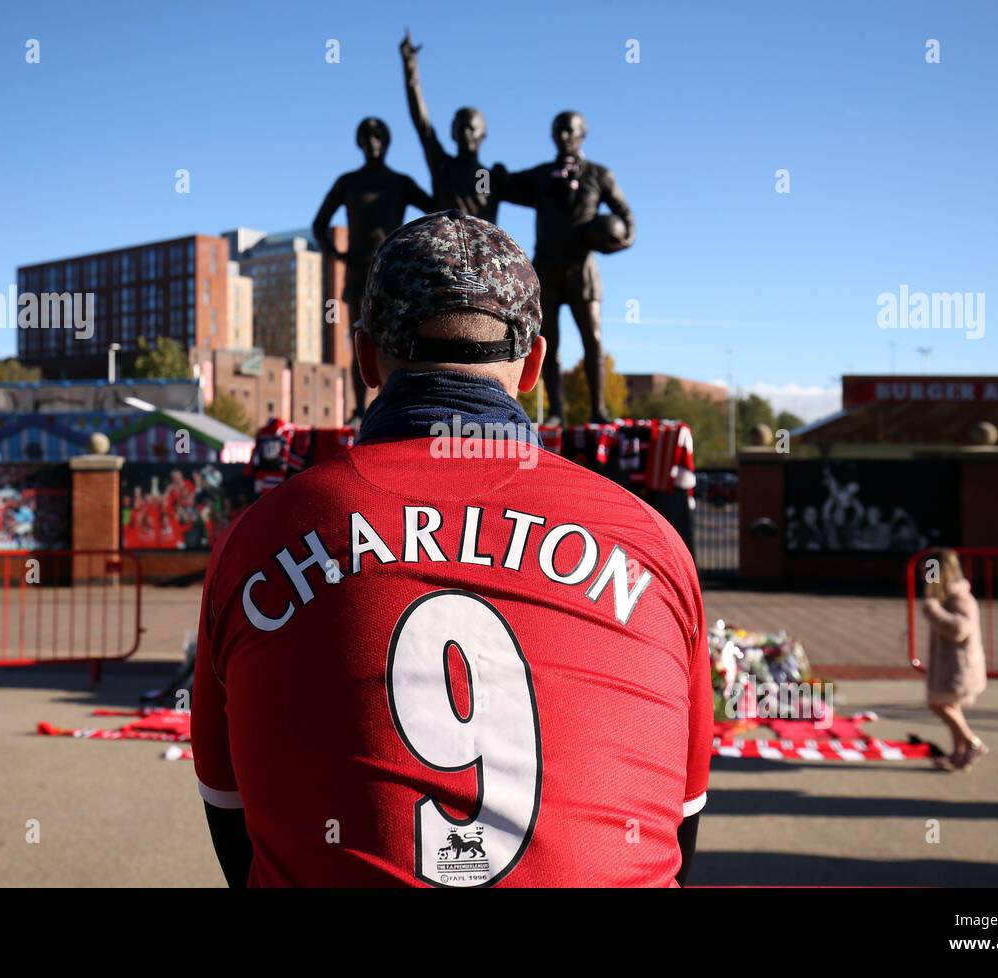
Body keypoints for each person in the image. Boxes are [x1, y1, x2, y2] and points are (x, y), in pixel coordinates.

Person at [192, 210, 711, 887]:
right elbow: (678, 831)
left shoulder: (257, 539)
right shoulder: (652, 545)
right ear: (533, 365)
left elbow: (236, 833)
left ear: (366, 356)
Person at [496, 111, 635, 425]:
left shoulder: (600, 175)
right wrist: (495, 175)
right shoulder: (543, 176)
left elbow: (628, 222)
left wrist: (614, 243)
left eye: (570, 131)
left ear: (582, 134)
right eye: (558, 131)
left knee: (593, 340)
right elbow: (507, 187)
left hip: (583, 270)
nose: (563, 137)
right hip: (547, 269)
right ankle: (557, 410)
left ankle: (598, 409)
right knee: (549, 343)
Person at [312, 117, 434, 420]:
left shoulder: (399, 182)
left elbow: (435, 210)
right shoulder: (349, 182)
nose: (373, 143)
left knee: (397, 339)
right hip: (359, 273)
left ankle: (393, 405)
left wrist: (414, 249)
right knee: (362, 339)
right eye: (367, 138)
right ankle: (358, 409)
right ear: (359, 143)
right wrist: (337, 254)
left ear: (387, 141)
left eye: (378, 137)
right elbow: (319, 224)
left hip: (395, 273)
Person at [399, 30, 498, 221]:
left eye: (472, 128)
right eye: (461, 128)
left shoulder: (484, 175)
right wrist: (410, 66)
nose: (466, 134)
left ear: (483, 135)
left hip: (478, 248)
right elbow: (422, 124)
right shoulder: (442, 166)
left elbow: (484, 212)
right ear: (453, 133)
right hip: (443, 247)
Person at [922, 548, 988, 770]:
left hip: (959, 667)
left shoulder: (959, 599)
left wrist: (933, 610)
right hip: (952, 665)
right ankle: (958, 752)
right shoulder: (948, 598)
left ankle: (971, 742)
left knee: (938, 704)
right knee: (950, 705)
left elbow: (960, 629)